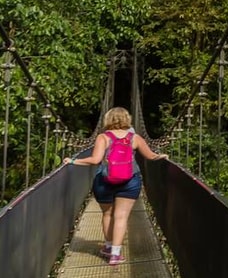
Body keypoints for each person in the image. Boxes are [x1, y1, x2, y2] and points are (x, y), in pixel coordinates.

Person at [63, 106, 167, 266]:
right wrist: (162, 156)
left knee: (107, 215)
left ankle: (108, 247)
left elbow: (95, 160)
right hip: (130, 181)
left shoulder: (103, 138)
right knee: (121, 217)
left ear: (108, 120)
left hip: (104, 181)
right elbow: (151, 156)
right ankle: (115, 255)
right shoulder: (135, 138)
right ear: (127, 119)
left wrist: (73, 161)